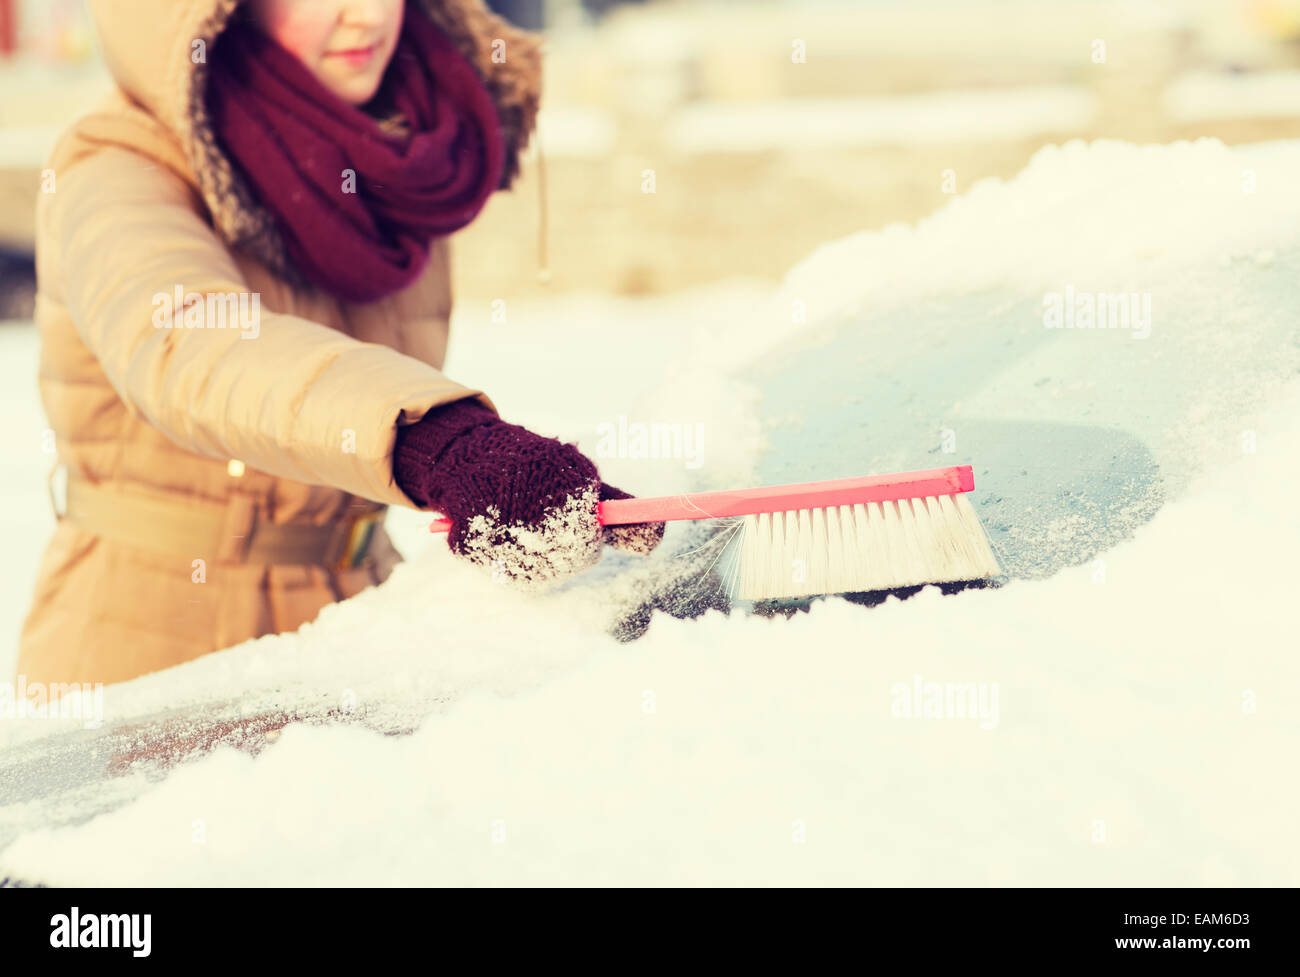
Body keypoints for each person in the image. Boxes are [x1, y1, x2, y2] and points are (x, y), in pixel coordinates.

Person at [17, 0, 663, 689]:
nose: (366, 15)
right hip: (149, 644)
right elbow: (188, 336)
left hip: (351, 619)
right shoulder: (117, 162)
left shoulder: (399, 156)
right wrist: (433, 440)